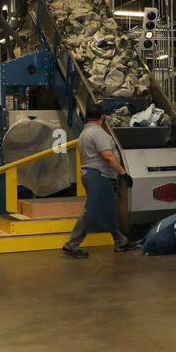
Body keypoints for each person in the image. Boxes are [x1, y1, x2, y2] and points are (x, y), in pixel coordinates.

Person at [62, 106, 134, 258]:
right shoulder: (98, 132)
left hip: (93, 175)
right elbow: (107, 155)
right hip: (99, 176)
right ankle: (72, 244)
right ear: (102, 117)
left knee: (107, 210)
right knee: (92, 210)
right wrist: (123, 173)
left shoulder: (84, 133)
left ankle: (120, 241)